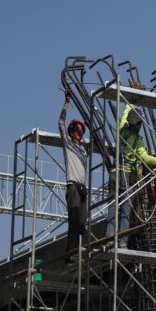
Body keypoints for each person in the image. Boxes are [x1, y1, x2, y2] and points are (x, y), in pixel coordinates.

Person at [106, 100, 156, 248]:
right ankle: (122, 242)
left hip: (113, 174)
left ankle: (109, 239)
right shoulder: (137, 141)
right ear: (139, 124)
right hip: (126, 176)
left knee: (112, 208)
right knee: (126, 209)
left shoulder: (121, 131)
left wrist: (130, 103)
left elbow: (123, 115)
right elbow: (146, 159)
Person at [59, 93, 88, 258]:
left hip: (83, 188)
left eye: (81, 130)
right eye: (77, 130)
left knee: (83, 222)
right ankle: (71, 253)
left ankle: (74, 250)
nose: (80, 132)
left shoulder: (84, 149)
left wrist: (90, 126)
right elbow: (61, 122)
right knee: (74, 218)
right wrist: (66, 103)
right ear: (71, 132)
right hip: (73, 186)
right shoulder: (68, 144)